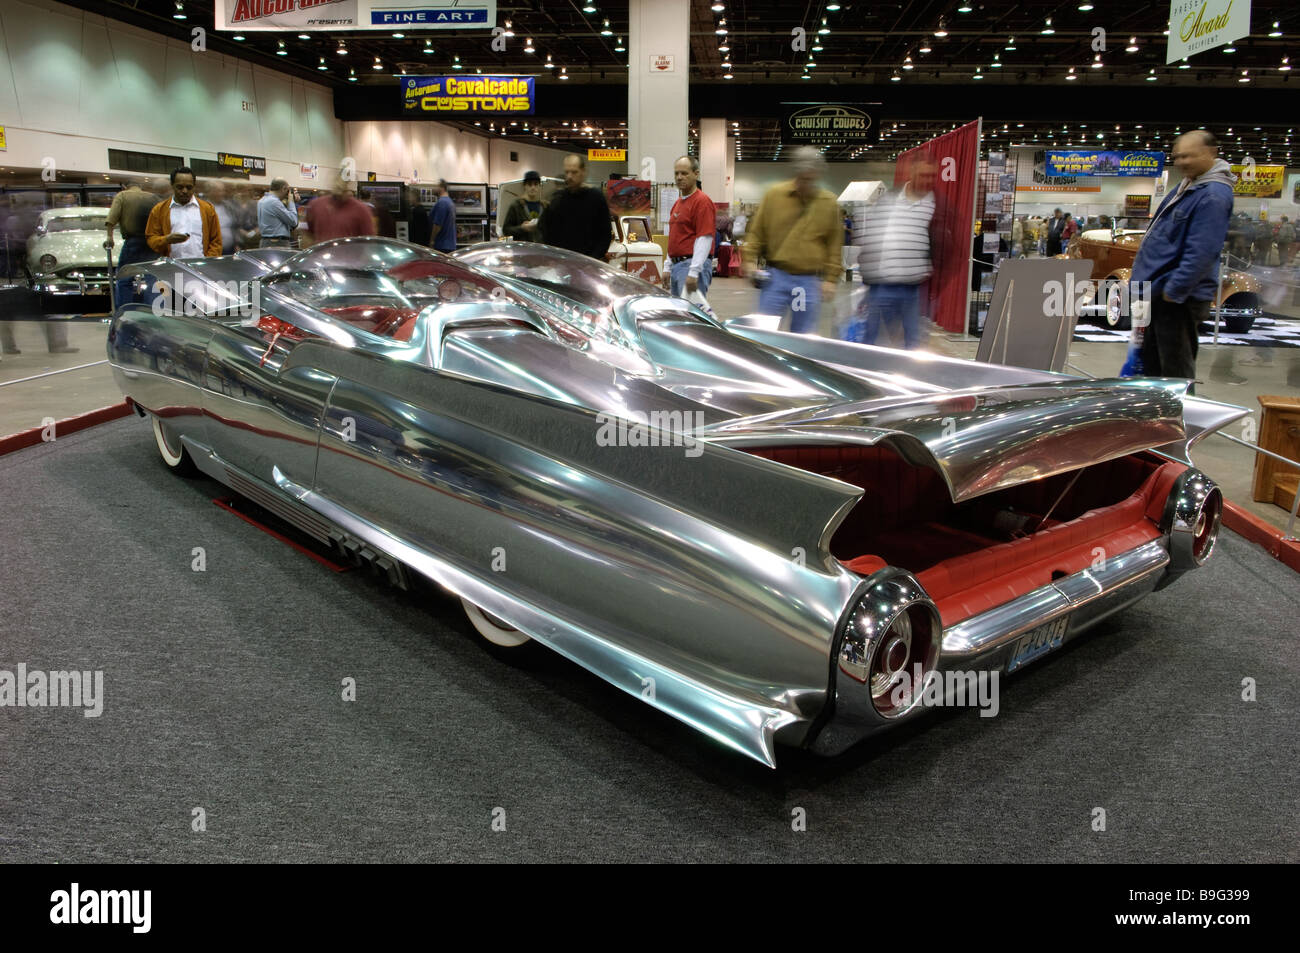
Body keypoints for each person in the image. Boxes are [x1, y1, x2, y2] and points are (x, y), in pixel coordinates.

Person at [1130, 130, 1234, 389]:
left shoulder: (1212, 195)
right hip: (1162, 293)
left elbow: (1202, 250)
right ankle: (1158, 421)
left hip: (1177, 298)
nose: (1181, 162)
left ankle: (1179, 423)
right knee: (1154, 366)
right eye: (1177, 156)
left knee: (1174, 371)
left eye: (1189, 155)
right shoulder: (1190, 185)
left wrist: (1174, 291)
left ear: (1211, 153)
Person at [744, 146, 842, 333]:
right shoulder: (774, 196)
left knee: (803, 335)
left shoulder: (829, 203)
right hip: (775, 277)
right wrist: (749, 261)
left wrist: (831, 279)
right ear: (796, 171)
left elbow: (834, 245)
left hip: (808, 280)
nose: (805, 183)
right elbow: (756, 232)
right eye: (802, 178)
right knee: (765, 332)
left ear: (818, 175)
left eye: (810, 179)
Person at [852, 154, 938, 350]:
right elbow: (873, 237)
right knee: (870, 336)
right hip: (880, 285)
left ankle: (906, 376)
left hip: (913, 287)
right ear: (913, 172)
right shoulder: (890, 200)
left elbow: (943, 242)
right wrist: (867, 275)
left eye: (931, 176)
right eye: (923, 175)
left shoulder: (936, 204)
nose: (927, 180)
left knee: (912, 340)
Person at [538, 154, 613, 261]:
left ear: (583, 172)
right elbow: (545, 230)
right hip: (562, 262)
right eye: (567, 172)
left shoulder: (596, 198)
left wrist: (592, 260)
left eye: (574, 172)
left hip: (588, 263)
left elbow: (605, 234)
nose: (569, 176)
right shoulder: (558, 199)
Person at [105, 180, 163, 306]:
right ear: (140, 187)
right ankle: (155, 310)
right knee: (153, 278)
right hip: (152, 242)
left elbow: (111, 218)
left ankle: (124, 310)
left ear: (125, 187)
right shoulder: (153, 197)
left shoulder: (122, 196)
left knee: (124, 279)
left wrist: (109, 237)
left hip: (133, 241)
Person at [665, 156, 715, 298]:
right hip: (677, 267)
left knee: (689, 314)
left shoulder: (702, 202)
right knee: (680, 315)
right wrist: (667, 266)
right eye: (676, 173)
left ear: (696, 174)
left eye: (684, 173)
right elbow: (674, 238)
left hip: (690, 265)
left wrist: (694, 272)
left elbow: (704, 238)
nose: (679, 177)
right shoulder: (677, 203)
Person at [145, 166, 221, 259]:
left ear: (194, 186)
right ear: (172, 185)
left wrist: (209, 262)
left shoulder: (207, 209)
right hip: (175, 268)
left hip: (201, 267)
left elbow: (216, 241)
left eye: (189, 187)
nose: (185, 191)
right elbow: (151, 238)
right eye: (180, 187)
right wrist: (166, 240)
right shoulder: (159, 210)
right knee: (178, 275)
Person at [302, 176, 375, 244]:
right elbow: (306, 233)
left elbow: (369, 242)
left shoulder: (361, 210)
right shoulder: (315, 205)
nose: (339, 185)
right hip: (321, 256)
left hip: (349, 256)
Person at [502, 170, 547, 241]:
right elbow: (506, 230)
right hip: (523, 249)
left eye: (536, 184)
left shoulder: (545, 206)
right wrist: (522, 228)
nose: (533, 187)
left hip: (541, 248)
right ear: (524, 186)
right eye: (529, 184)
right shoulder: (516, 206)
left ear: (539, 186)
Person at [257, 179, 299, 248]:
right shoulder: (274, 202)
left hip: (266, 241)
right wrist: (291, 201)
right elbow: (293, 221)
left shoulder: (262, 200)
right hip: (277, 243)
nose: (287, 194)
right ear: (284, 188)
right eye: (287, 191)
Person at [427, 179, 457, 253]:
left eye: (435, 186)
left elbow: (437, 225)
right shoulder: (450, 202)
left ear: (442, 188)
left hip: (442, 245)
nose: (433, 189)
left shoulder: (442, 203)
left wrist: (432, 241)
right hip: (449, 244)